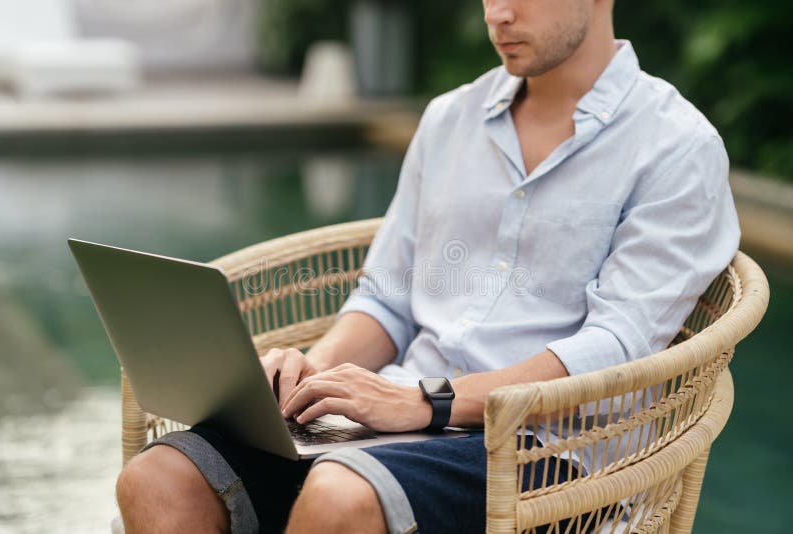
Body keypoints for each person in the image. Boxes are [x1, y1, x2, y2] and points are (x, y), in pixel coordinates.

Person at [115, 0, 740, 532]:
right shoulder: (449, 120)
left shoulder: (676, 146)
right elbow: (386, 297)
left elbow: (617, 346)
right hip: (396, 414)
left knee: (340, 496)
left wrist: (428, 402)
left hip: (551, 449)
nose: (498, 12)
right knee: (160, 479)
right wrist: (314, 372)